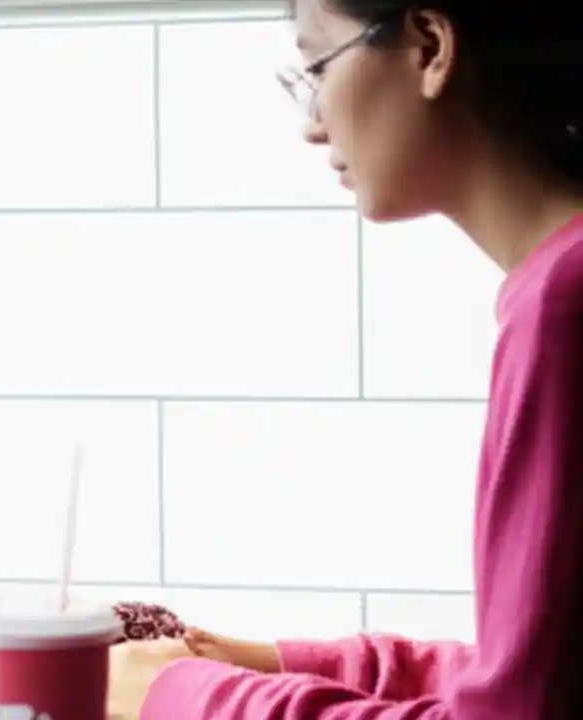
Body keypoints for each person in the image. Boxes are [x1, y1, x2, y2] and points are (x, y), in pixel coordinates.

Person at [108, 0, 583, 718]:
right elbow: (535, 676)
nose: (312, 122)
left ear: (429, 47)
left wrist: (177, 696)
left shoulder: (564, 310)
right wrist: (275, 662)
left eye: (317, 66)